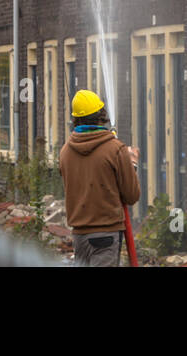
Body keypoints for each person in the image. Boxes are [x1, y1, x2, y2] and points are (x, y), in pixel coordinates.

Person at [58, 89, 140, 267]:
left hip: (79, 236)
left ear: (76, 119)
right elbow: (131, 195)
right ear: (101, 116)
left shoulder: (65, 152)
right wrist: (131, 163)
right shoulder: (115, 149)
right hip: (106, 234)